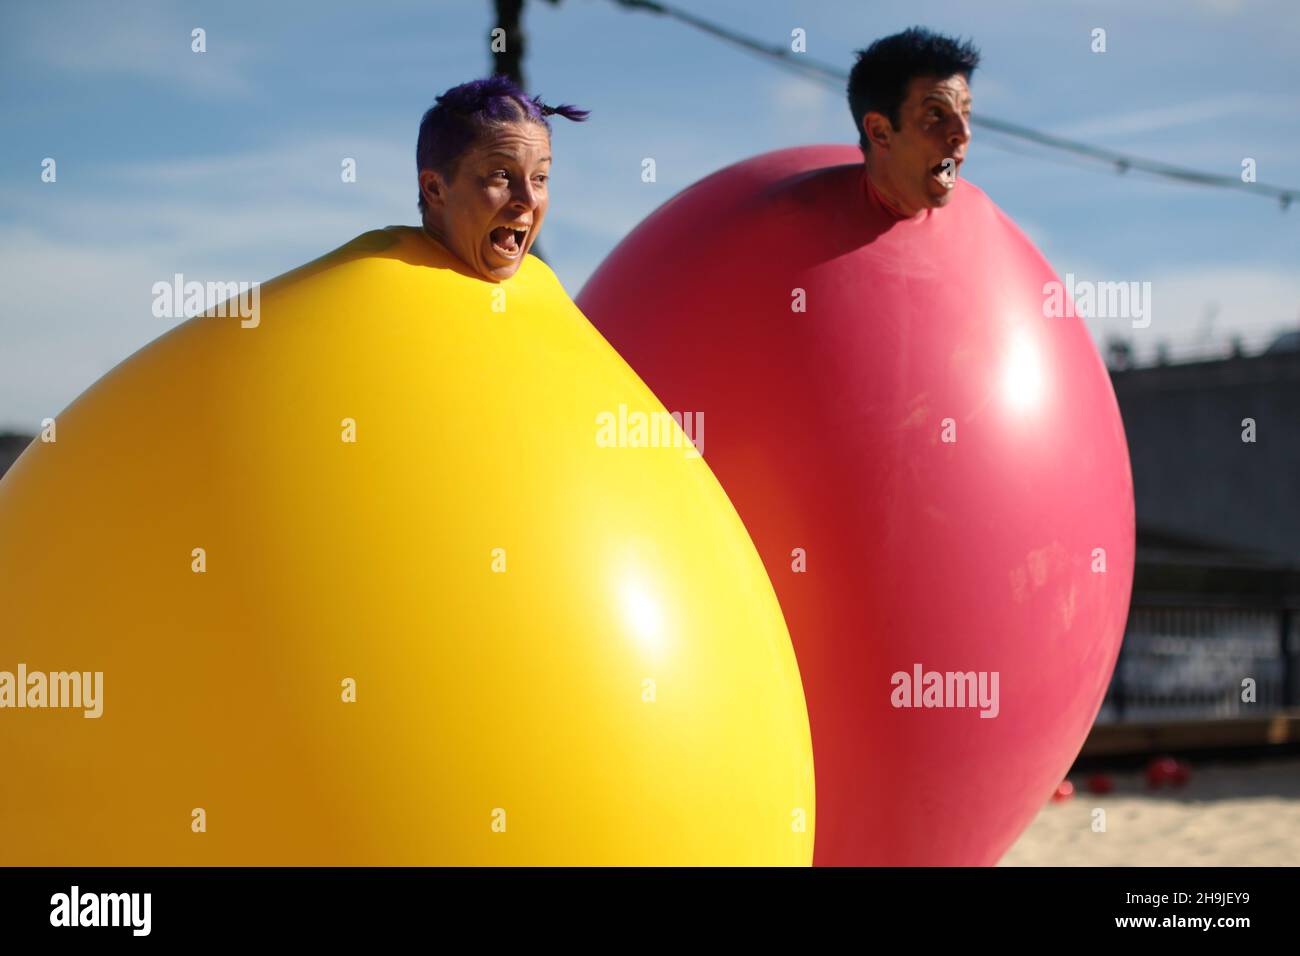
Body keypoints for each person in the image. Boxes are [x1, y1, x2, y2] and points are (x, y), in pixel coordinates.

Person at [415, 75, 588, 282]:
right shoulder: (379, 292)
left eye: (539, 178)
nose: (529, 200)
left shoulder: (546, 296)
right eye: (502, 175)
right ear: (434, 188)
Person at [847, 27, 980, 220]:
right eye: (935, 113)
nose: (963, 133)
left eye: (965, 113)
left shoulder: (982, 229)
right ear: (880, 131)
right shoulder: (801, 221)